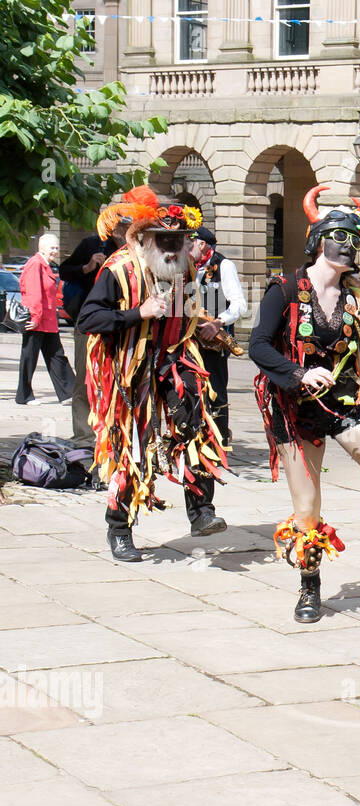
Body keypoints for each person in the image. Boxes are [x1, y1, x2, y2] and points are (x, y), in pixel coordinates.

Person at [249, 186, 360, 625]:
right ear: (318, 240)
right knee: (307, 507)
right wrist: (298, 372)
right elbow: (257, 346)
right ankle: (310, 587)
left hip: (347, 403)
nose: (350, 247)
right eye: (340, 237)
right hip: (296, 408)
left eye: (355, 240)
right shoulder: (284, 290)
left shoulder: (354, 296)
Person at [78, 199, 228, 560]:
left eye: (180, 240)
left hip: (174, 360)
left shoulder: (183, 268)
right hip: (130, 369)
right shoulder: (118, 270)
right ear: (144, 238)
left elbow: (187, 308)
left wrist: (205, 325)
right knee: (133, 445)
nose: (174, 248)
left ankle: (202, 512)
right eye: (165, 240)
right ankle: (120, 530)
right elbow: (88, 319)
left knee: (196, 427)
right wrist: (136, 313)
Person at [62, 188, 147, 449]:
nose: (127, 229)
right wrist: (86, 267)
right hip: (90, 324)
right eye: (125, 224)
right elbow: (65, 270)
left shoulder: (138, 251)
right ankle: (84, 438)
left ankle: (116, 434)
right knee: (85, 379)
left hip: (126, 324)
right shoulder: (91, 244)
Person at [187, 225, 247, 535]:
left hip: (212, 347)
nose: (189, 245)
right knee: (190, 412)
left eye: (193, 241)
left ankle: (218, 434)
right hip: (186, 348)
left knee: (213, 404)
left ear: (206, 244)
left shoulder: (222, 265)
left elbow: (239, 304)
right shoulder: (181, 266)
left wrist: (219, 321)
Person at [15, 234, 76, 406]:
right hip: (38, 320)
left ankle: (69, 392)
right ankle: (24, 396)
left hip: (47, 321)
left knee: (57, 356)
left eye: (57, 248)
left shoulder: (44, 265)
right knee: (29, 358)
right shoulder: (36, 264)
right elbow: (34, 293)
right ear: (41, 248)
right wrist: (35, 317)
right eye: (52, 248)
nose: (55, 251)